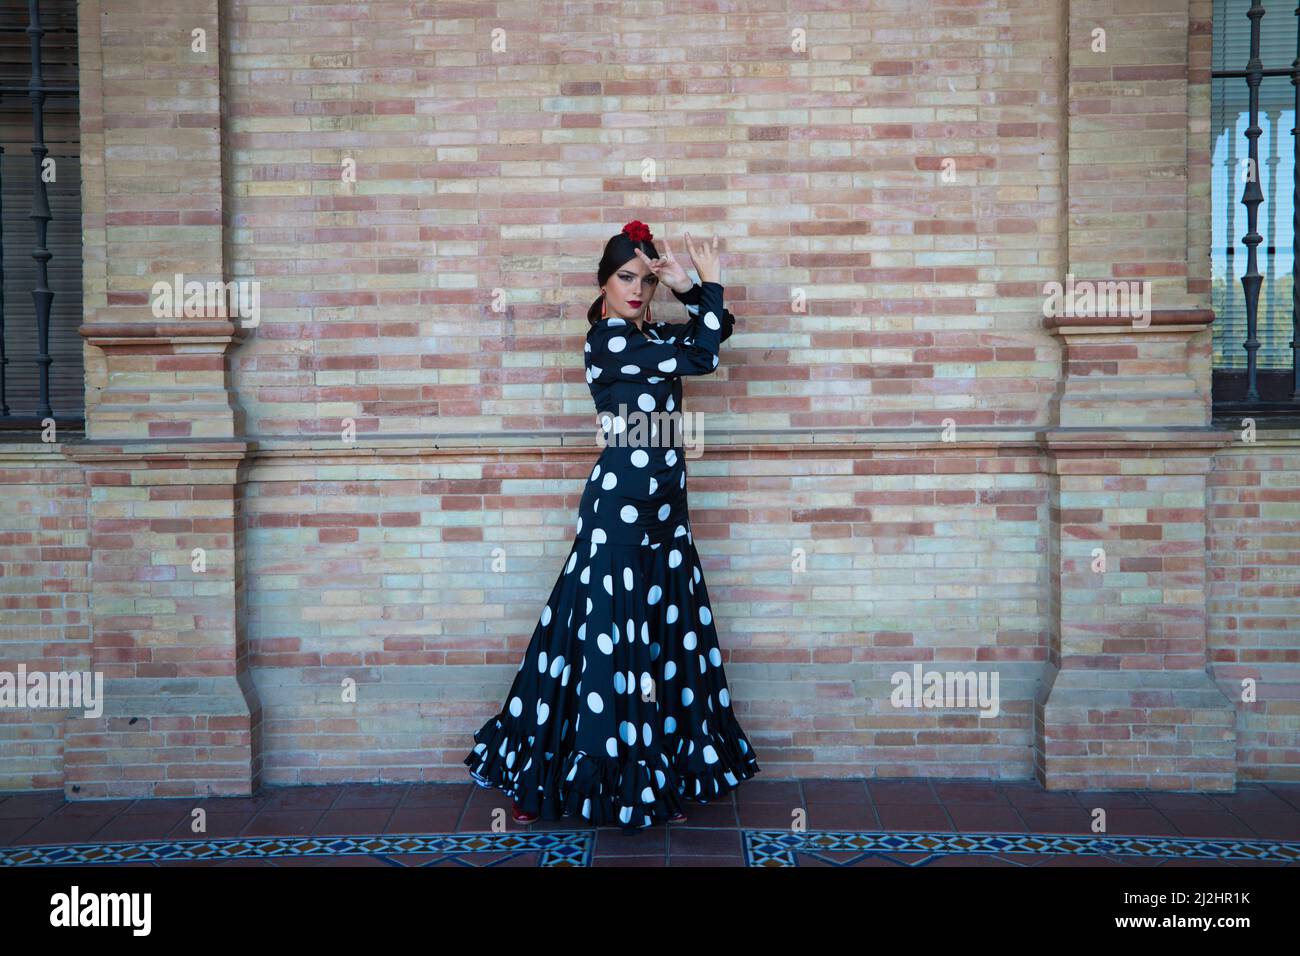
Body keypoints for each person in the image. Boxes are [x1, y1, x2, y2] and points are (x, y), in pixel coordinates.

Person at [464, 220, 761, 833]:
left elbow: (718, 329)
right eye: (627, 277)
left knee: (662, 644)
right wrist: (709, 284)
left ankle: (659, 770)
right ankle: (561, 774)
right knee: (598, 647)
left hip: (665, 515)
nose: (636, 290)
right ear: (603, 280)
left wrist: (683, 286)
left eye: (643, 281)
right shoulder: (610, 342)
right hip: (617, 514)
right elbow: (705, 352)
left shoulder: (649, 333)